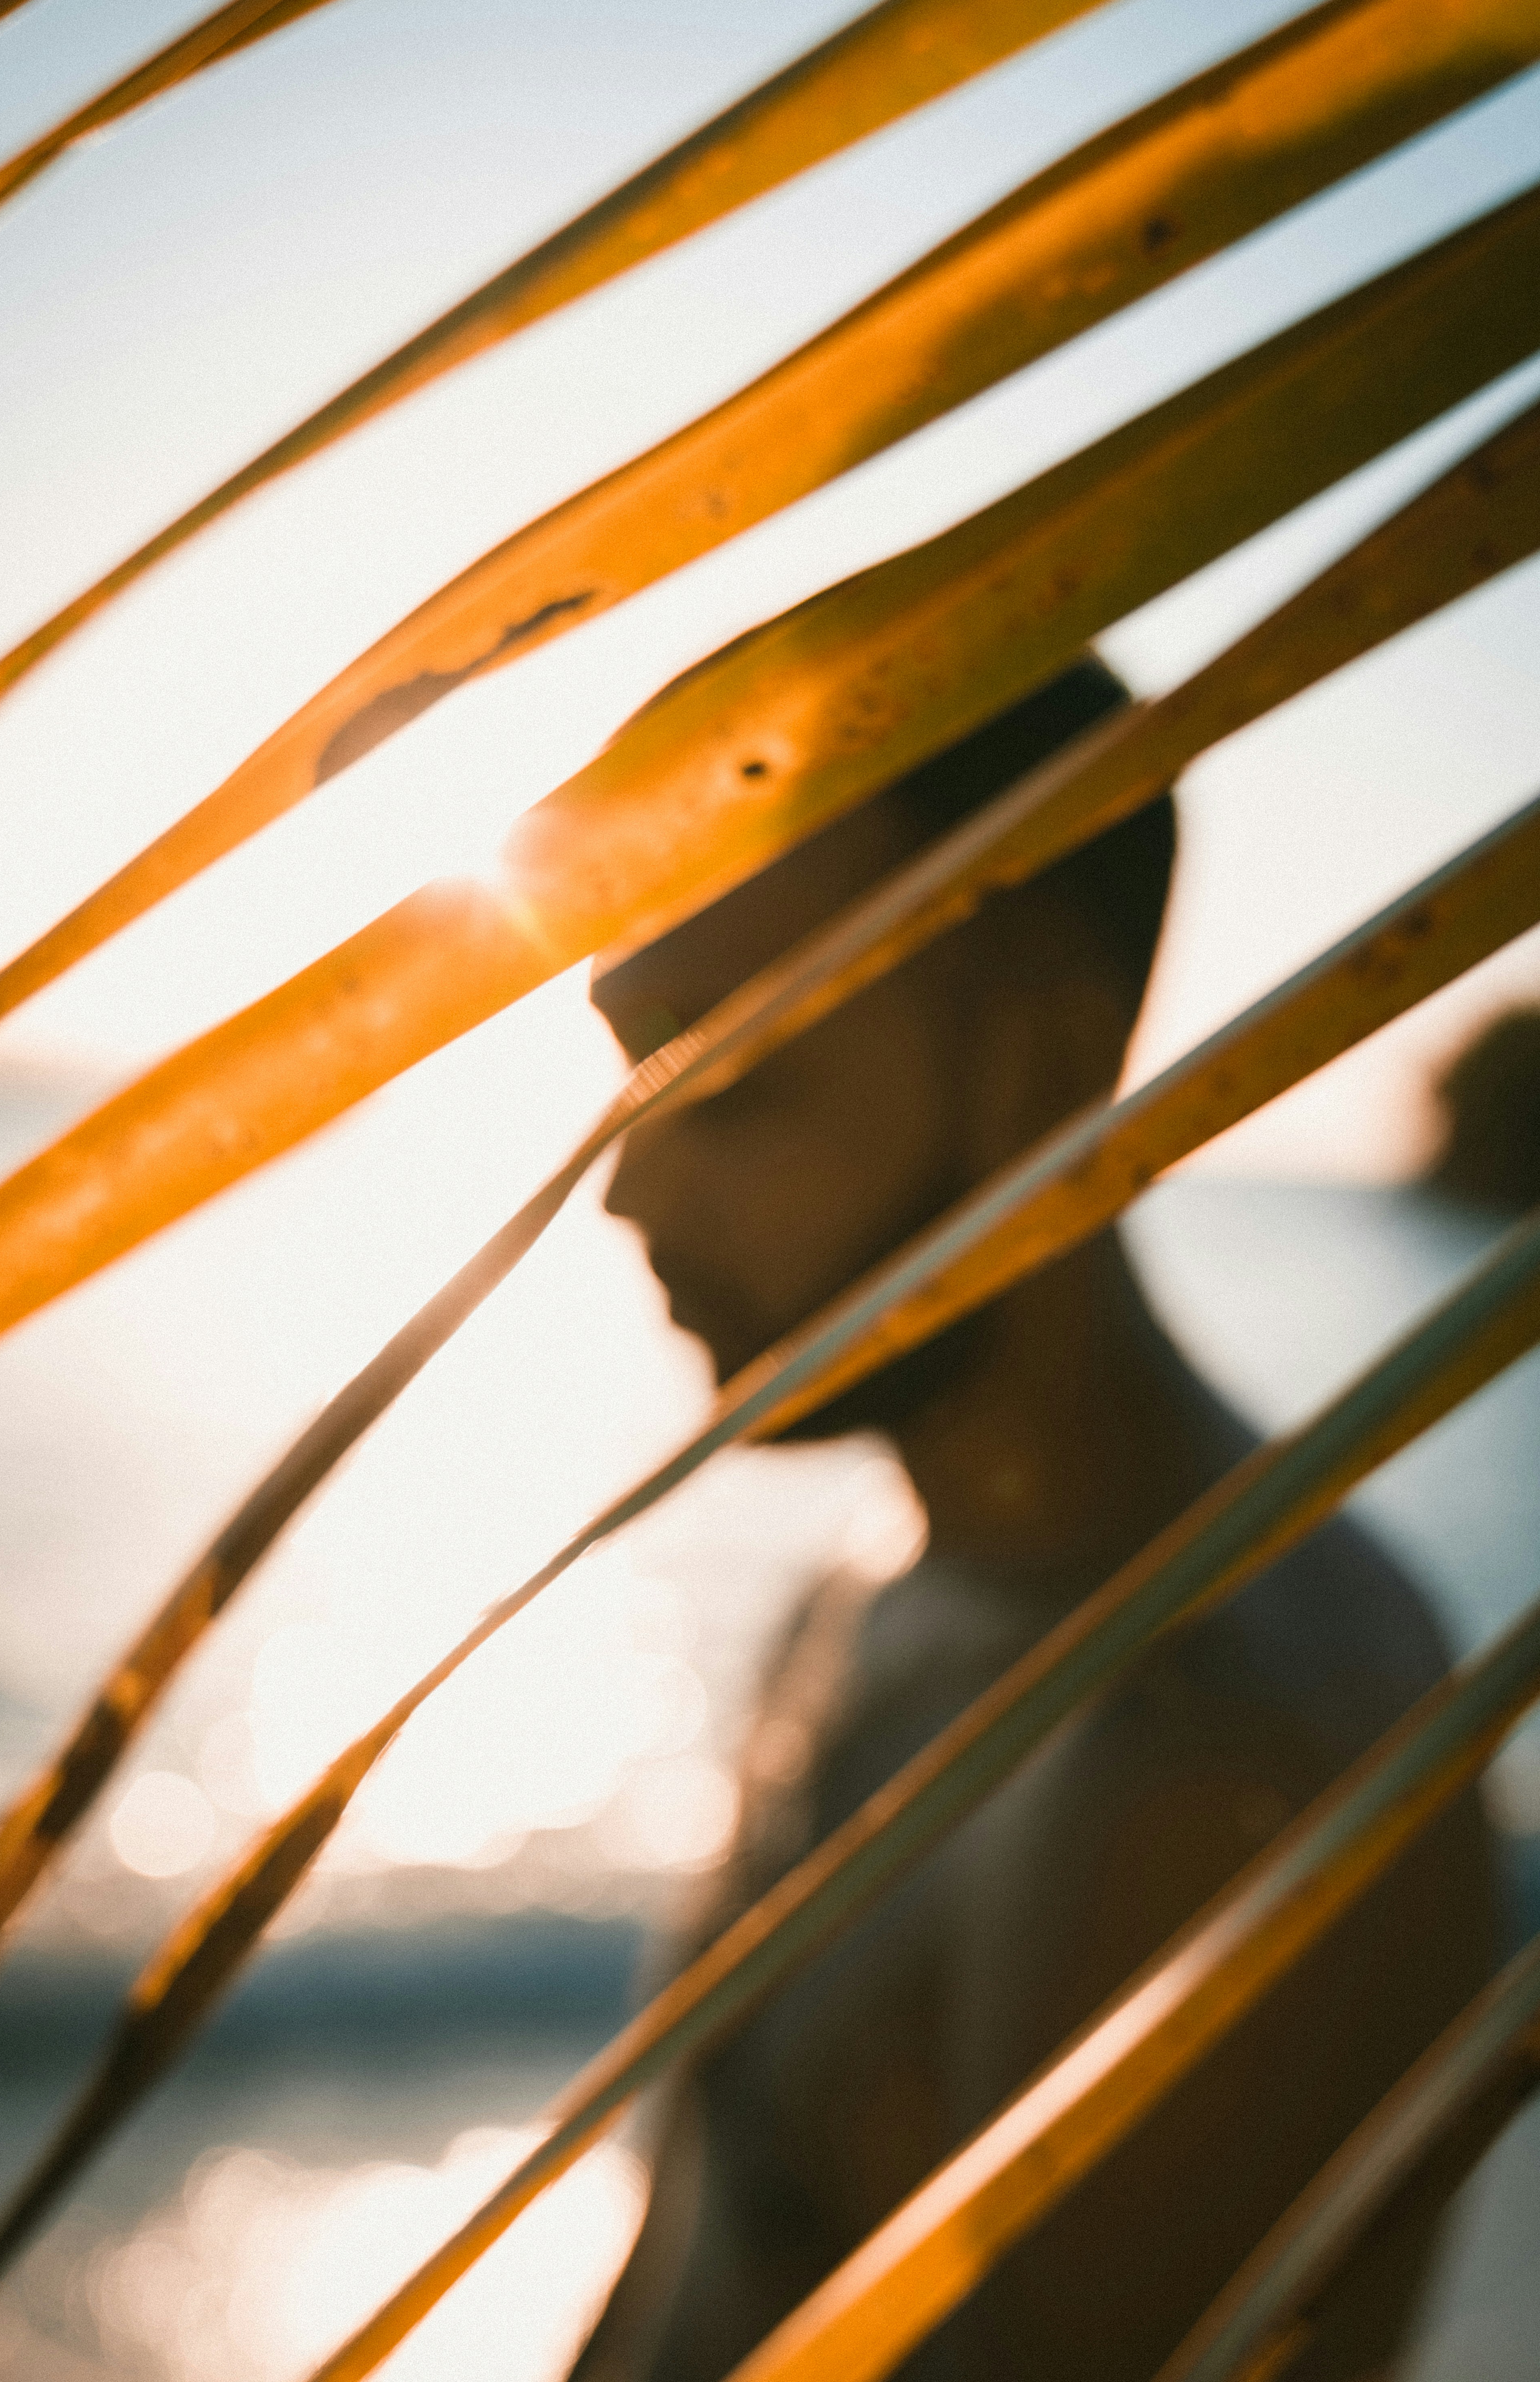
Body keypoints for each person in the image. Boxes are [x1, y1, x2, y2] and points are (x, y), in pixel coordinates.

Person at [573, 658, 1501, 2382]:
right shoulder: (893, 1582)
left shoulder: (1221, 1758)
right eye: (629, 1084)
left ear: (1047, 1059)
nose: (626, 1187)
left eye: (727, 1085)